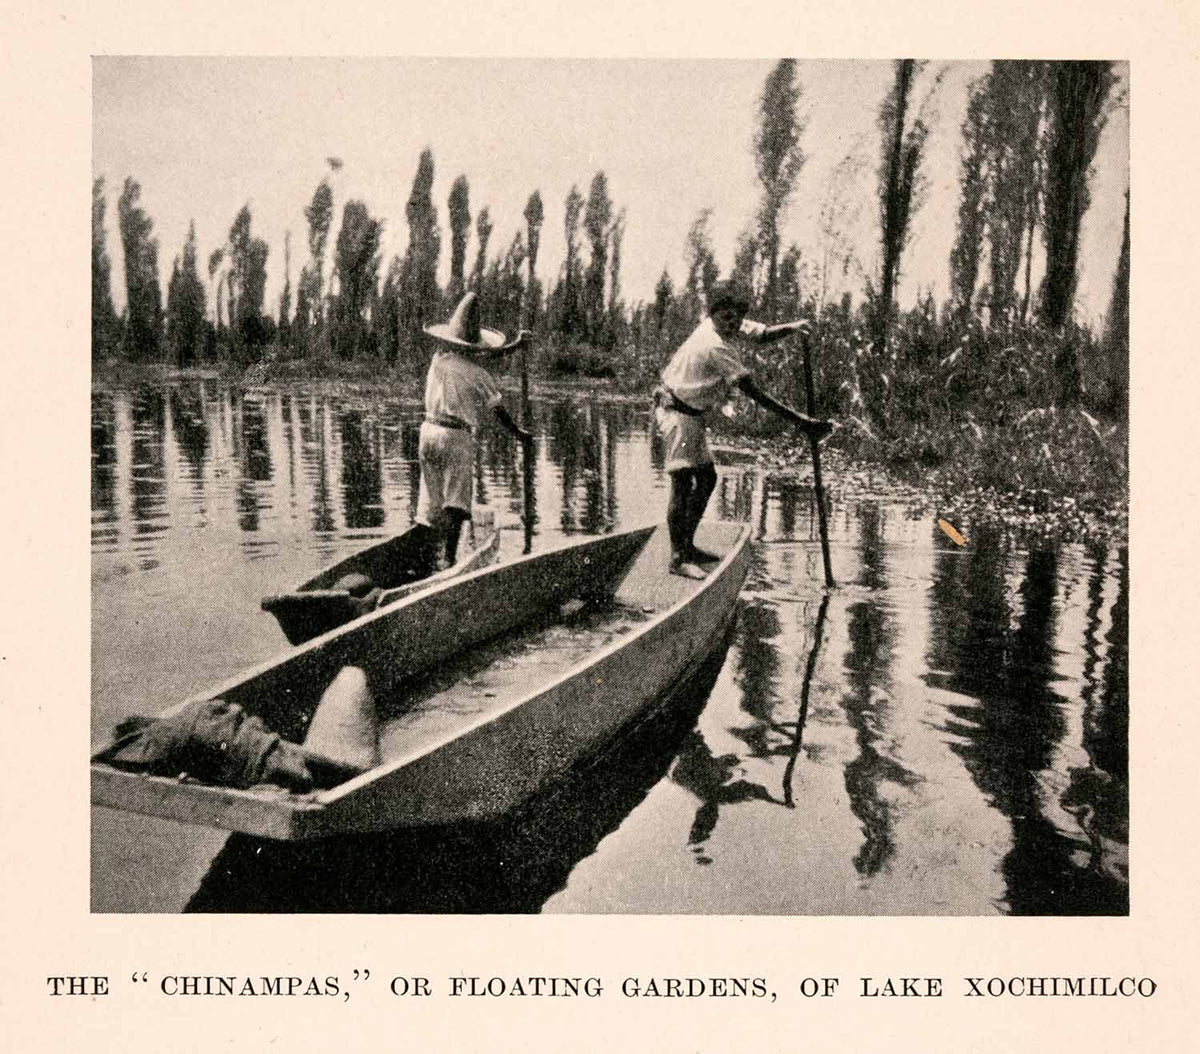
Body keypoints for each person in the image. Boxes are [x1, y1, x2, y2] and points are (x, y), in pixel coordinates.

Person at [655, 282, 834, 575]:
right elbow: (753, 391)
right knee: (683, 481)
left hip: (691, 412)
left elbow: (761, 335)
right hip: (675, 411)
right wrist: (803, 423)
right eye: (726, 317)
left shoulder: (726, 326)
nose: (733, 323)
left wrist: (793, 327)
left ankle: (687, 547)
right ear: (713, 315)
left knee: (708, 478)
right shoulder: (714, 345)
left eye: (736, 317)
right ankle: (678, 558)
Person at [417, 291, 533, 566]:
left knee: (431, 502)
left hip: (428, 432)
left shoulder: (438, 359)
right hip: (455, 437)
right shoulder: (478, 375)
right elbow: (498, 410)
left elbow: (478, 357)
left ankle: (424, 559)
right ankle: (448, 561)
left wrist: (512, 348)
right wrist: (519, 434)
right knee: (456, 504)